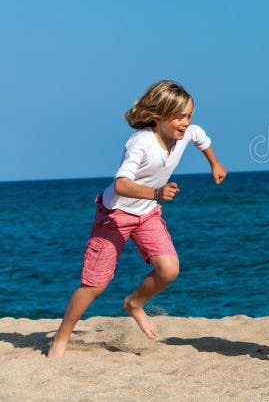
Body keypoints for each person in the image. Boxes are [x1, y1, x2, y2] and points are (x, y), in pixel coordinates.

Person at [47, 80, 227, 358]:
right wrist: (156, 192)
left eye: (189, 115)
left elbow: (203, 139)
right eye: (179, 116)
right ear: (158, 115)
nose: (185, 122)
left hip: (146, 215)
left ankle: (134, 303)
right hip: (114, 216)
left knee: (169, 270)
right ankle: (61, 338)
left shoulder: (187, 133)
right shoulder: (141, 143)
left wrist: (214, 163)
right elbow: (120, 184)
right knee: (95, 285)